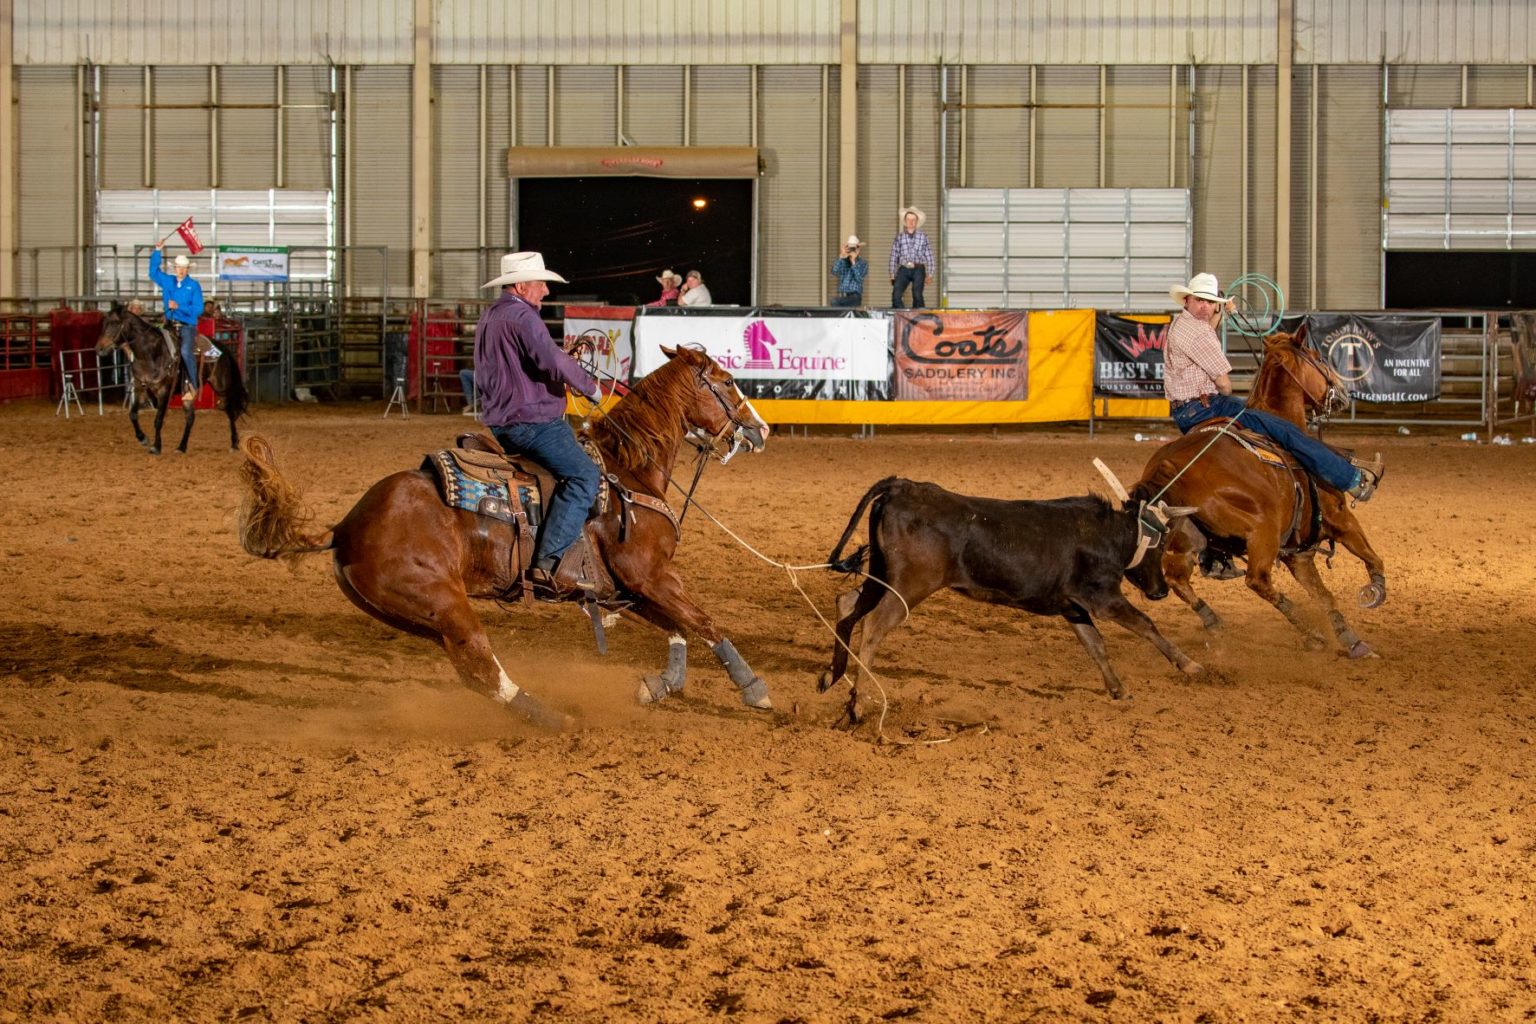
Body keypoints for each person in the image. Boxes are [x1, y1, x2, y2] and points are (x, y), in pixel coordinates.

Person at [1164, 272, 1384, 507]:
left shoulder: (1182, 323)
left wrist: (1220, 314)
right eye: (1200, 300)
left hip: (1186, 411)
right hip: (1208, 407)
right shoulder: (1199, 334)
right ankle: (1351, 479)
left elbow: (1207, 330)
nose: (1205, 307)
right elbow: (1224, 384)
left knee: (1267, 422)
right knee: (1284, 431)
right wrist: (1225, 392)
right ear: (1187, 300)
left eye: (1210, 302)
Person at [474, 251, 604, 596]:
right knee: (585, 475)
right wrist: (590, 387)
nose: (546, 291)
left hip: (502, 421)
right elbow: (550, 361)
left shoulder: (492, 316)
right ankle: (548, 562)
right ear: (521, 285)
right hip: (534, 421)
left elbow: (530, 361)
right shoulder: (523, 317)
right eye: (541, 283)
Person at [148, 246, 205, 396]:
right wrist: (157, 251)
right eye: (179, 267)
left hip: (187, 325)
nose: (181, 270)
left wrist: (179, 307)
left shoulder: (193, 286)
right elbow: (153, 273)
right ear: (175, 268)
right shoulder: (167, 280)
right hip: (169, 324)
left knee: (186, 351)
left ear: (188, 269)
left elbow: (198, 308)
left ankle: (193, 384)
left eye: (184, 267)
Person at [888, 206, 935, 309]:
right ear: (905, 221)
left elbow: (929, 255)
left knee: (917, 293)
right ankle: (901, 315)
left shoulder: (923, 237)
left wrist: (930, 274)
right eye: (909, 219)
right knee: (896, 293)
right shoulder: (899, 237)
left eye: (913, 219)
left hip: (918, 268)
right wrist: (892, 273)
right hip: (904, 268)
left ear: (917, 221)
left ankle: (918, 316)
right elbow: (894, 256)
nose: (911, 222)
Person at [829, 235, 868, 307]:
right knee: (834, 302)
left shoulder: (863, 263)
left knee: (834, 302)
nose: (852, 250)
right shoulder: (843, 261)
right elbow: (834, 271)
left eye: (854, 248)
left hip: (855, 296)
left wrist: (853, 262)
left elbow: (859, 279)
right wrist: (841, 256)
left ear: (858, 249)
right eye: (850, 248)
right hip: (843, 296)